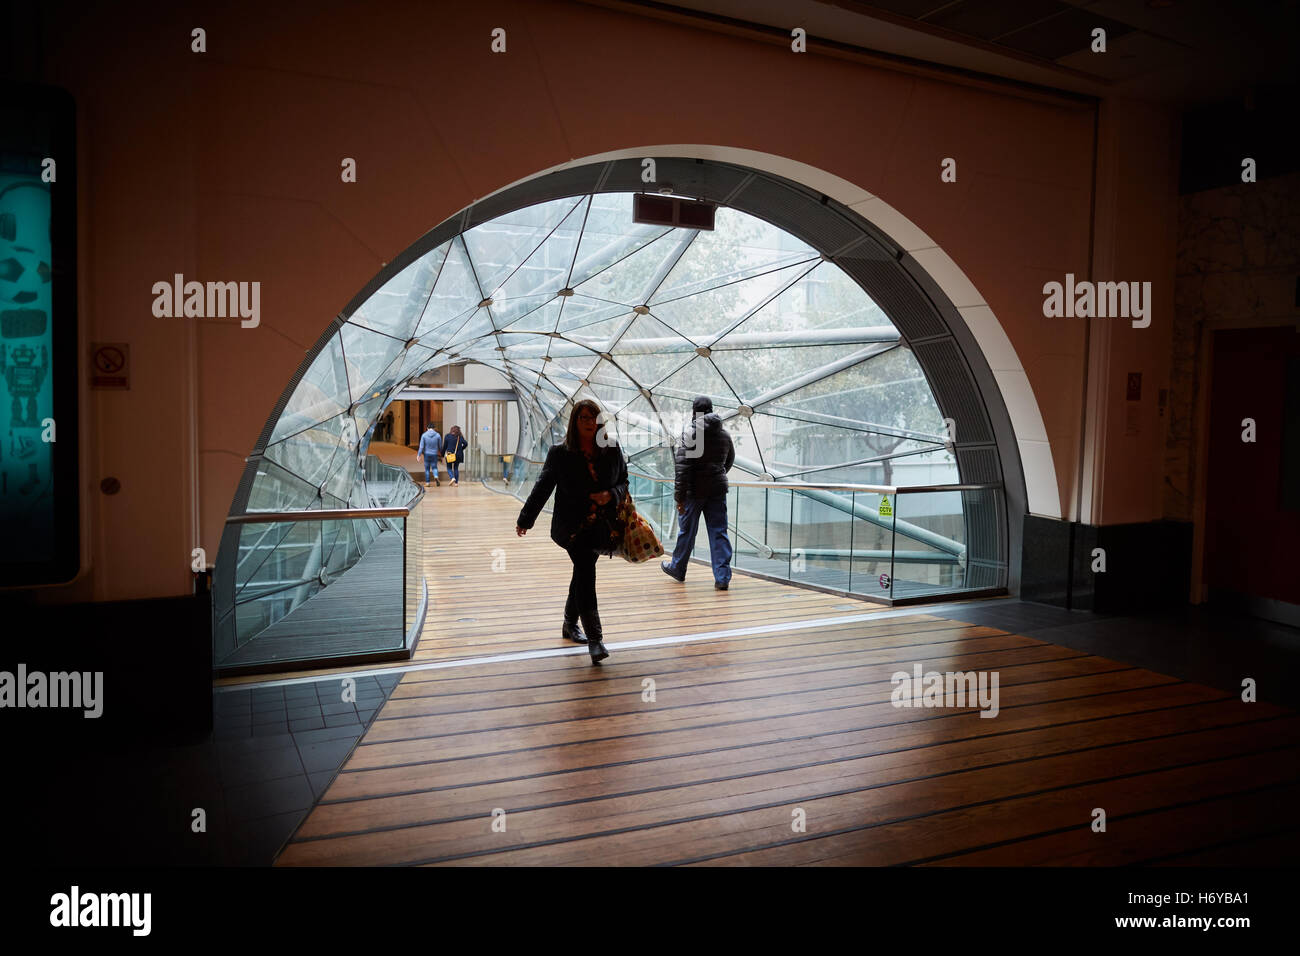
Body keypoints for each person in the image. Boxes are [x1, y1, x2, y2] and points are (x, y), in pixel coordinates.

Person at [515, 399, 628, 664]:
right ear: (574, 423)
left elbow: (624, 481)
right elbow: (543, 487)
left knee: (582, 571)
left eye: (593, 418)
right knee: (586, 570)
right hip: (572, 528)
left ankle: (569, 623)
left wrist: (610, 494)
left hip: (601, 526)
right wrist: (525, 519)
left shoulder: (611, 449)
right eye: (583, 418)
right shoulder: (560, 453)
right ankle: (595, 639)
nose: (589, 423)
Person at [662, 395, 735, 590]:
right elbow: (728, 461)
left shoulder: (690, 434)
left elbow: (682, 469)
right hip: (717, 491)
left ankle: (678, 568)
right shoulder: (724, 435)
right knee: (719, 532)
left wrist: (679, 497)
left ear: (694, 412)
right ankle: (722, 577)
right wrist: (715, 476)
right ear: (712, 410)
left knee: (687, 531)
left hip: (694, 492)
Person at [416, 423, 442, 488]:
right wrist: (441, 452)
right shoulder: (438, 435)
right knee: (434, 467)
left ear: (427, 428)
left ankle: (427, 483)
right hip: (434, 454)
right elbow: (440, 446)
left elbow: (421, 446)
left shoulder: (424, 435)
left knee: (427, 469)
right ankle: (436, 476)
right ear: (434, 428)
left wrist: (419, 455)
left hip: (427, 454)